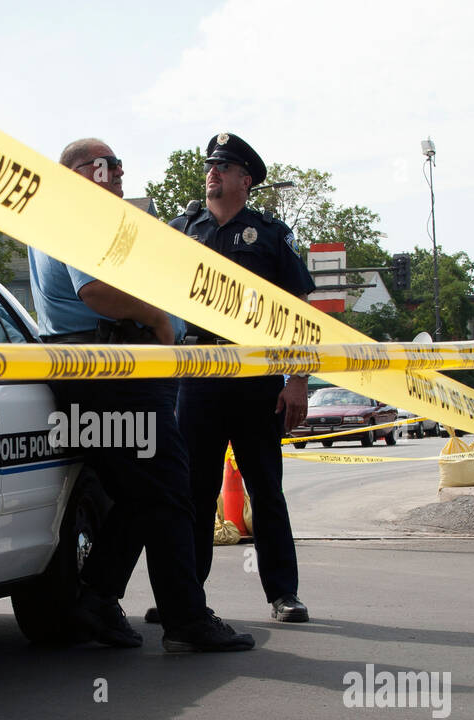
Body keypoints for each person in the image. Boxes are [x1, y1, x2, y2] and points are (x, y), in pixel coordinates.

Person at [28, 137, 253, 652]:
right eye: (107, 166)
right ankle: (185, 619)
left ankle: (98, 600)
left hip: (101, 374)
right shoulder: (82, 214)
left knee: (140, 493)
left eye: (121, 166)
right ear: (80, 172)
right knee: (170, 485)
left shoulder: (60, 214)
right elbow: (96, 292)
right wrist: (155, 317)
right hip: (115, 375)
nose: (119, 175)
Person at [168, 133, 314, 624]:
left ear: (245, 181)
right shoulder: (183, 231)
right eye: (211, 165)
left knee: (266, 490)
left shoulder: (271, 235)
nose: (213, 172)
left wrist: (297, 380)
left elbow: (299, 311)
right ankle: (186, 598)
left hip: (256, 380)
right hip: (198, 378)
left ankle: (283, 594)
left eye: (224, 166)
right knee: (194, 492)